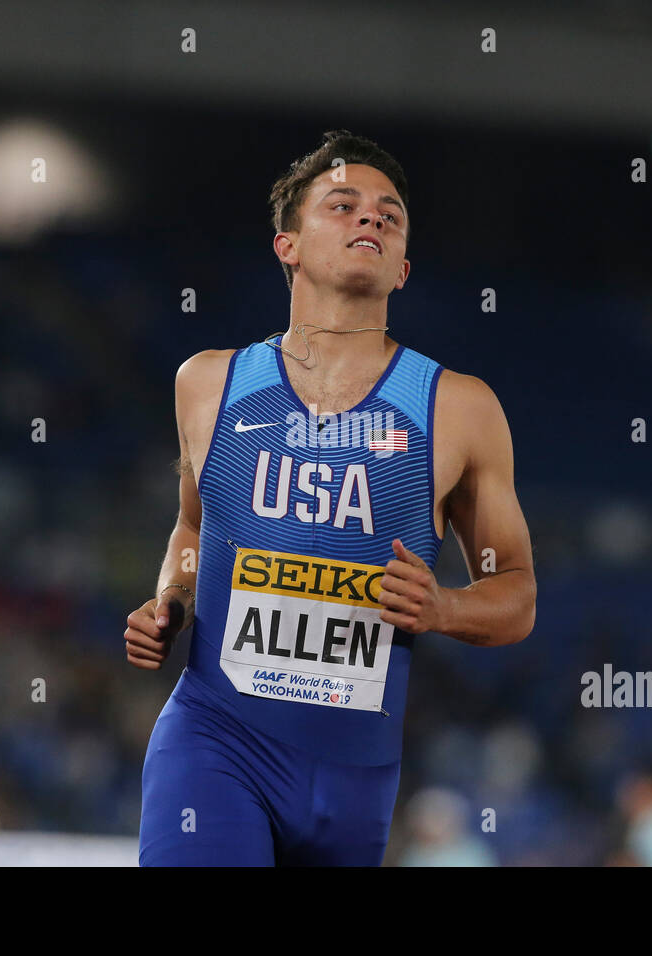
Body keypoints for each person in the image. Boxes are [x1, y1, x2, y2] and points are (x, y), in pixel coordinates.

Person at [125, 129, 536, 866]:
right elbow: (191, 526)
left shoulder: (460, 409)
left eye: (389, 214)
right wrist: (172, 600)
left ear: (403, 268)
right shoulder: (207, 384)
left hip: (356, 778)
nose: (369, 219)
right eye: (343, 205)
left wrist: (442, 607)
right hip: (215, 743)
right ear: (287, 245)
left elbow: (516, 595)